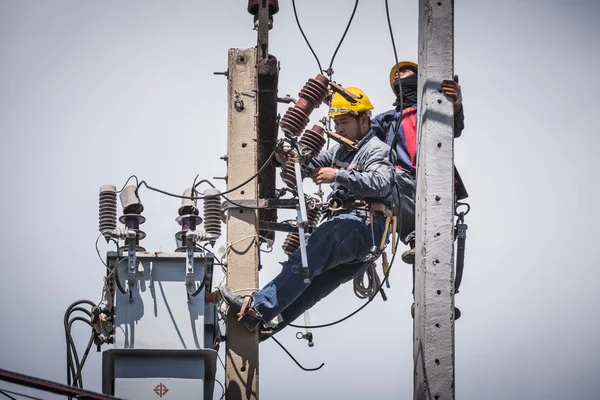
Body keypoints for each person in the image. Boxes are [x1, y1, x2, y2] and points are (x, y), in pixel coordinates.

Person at [218, 87, 397, 334]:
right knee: (312, 287)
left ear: (364, 120)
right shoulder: (342, 150)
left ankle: (259, 307)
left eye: (344, 121)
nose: (339, 129)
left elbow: (381, 183)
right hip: (358, 238)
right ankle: (264, 325)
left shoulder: (376, 149)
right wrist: (289, 157)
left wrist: (339, 175)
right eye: (336, 122)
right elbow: (311, 162)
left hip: (362, 224)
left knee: (306, 257)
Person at [371, 61, 467, 265]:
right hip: (403, 179)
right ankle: (415, 239)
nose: (398, 74)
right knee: (388, 179)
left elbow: (455, 128)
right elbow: (361, 137)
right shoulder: (386, 120)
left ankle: (432, 240)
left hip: (436, 179)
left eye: (405, 71)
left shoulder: (434, 108)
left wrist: (455, 102)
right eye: (396, 73)